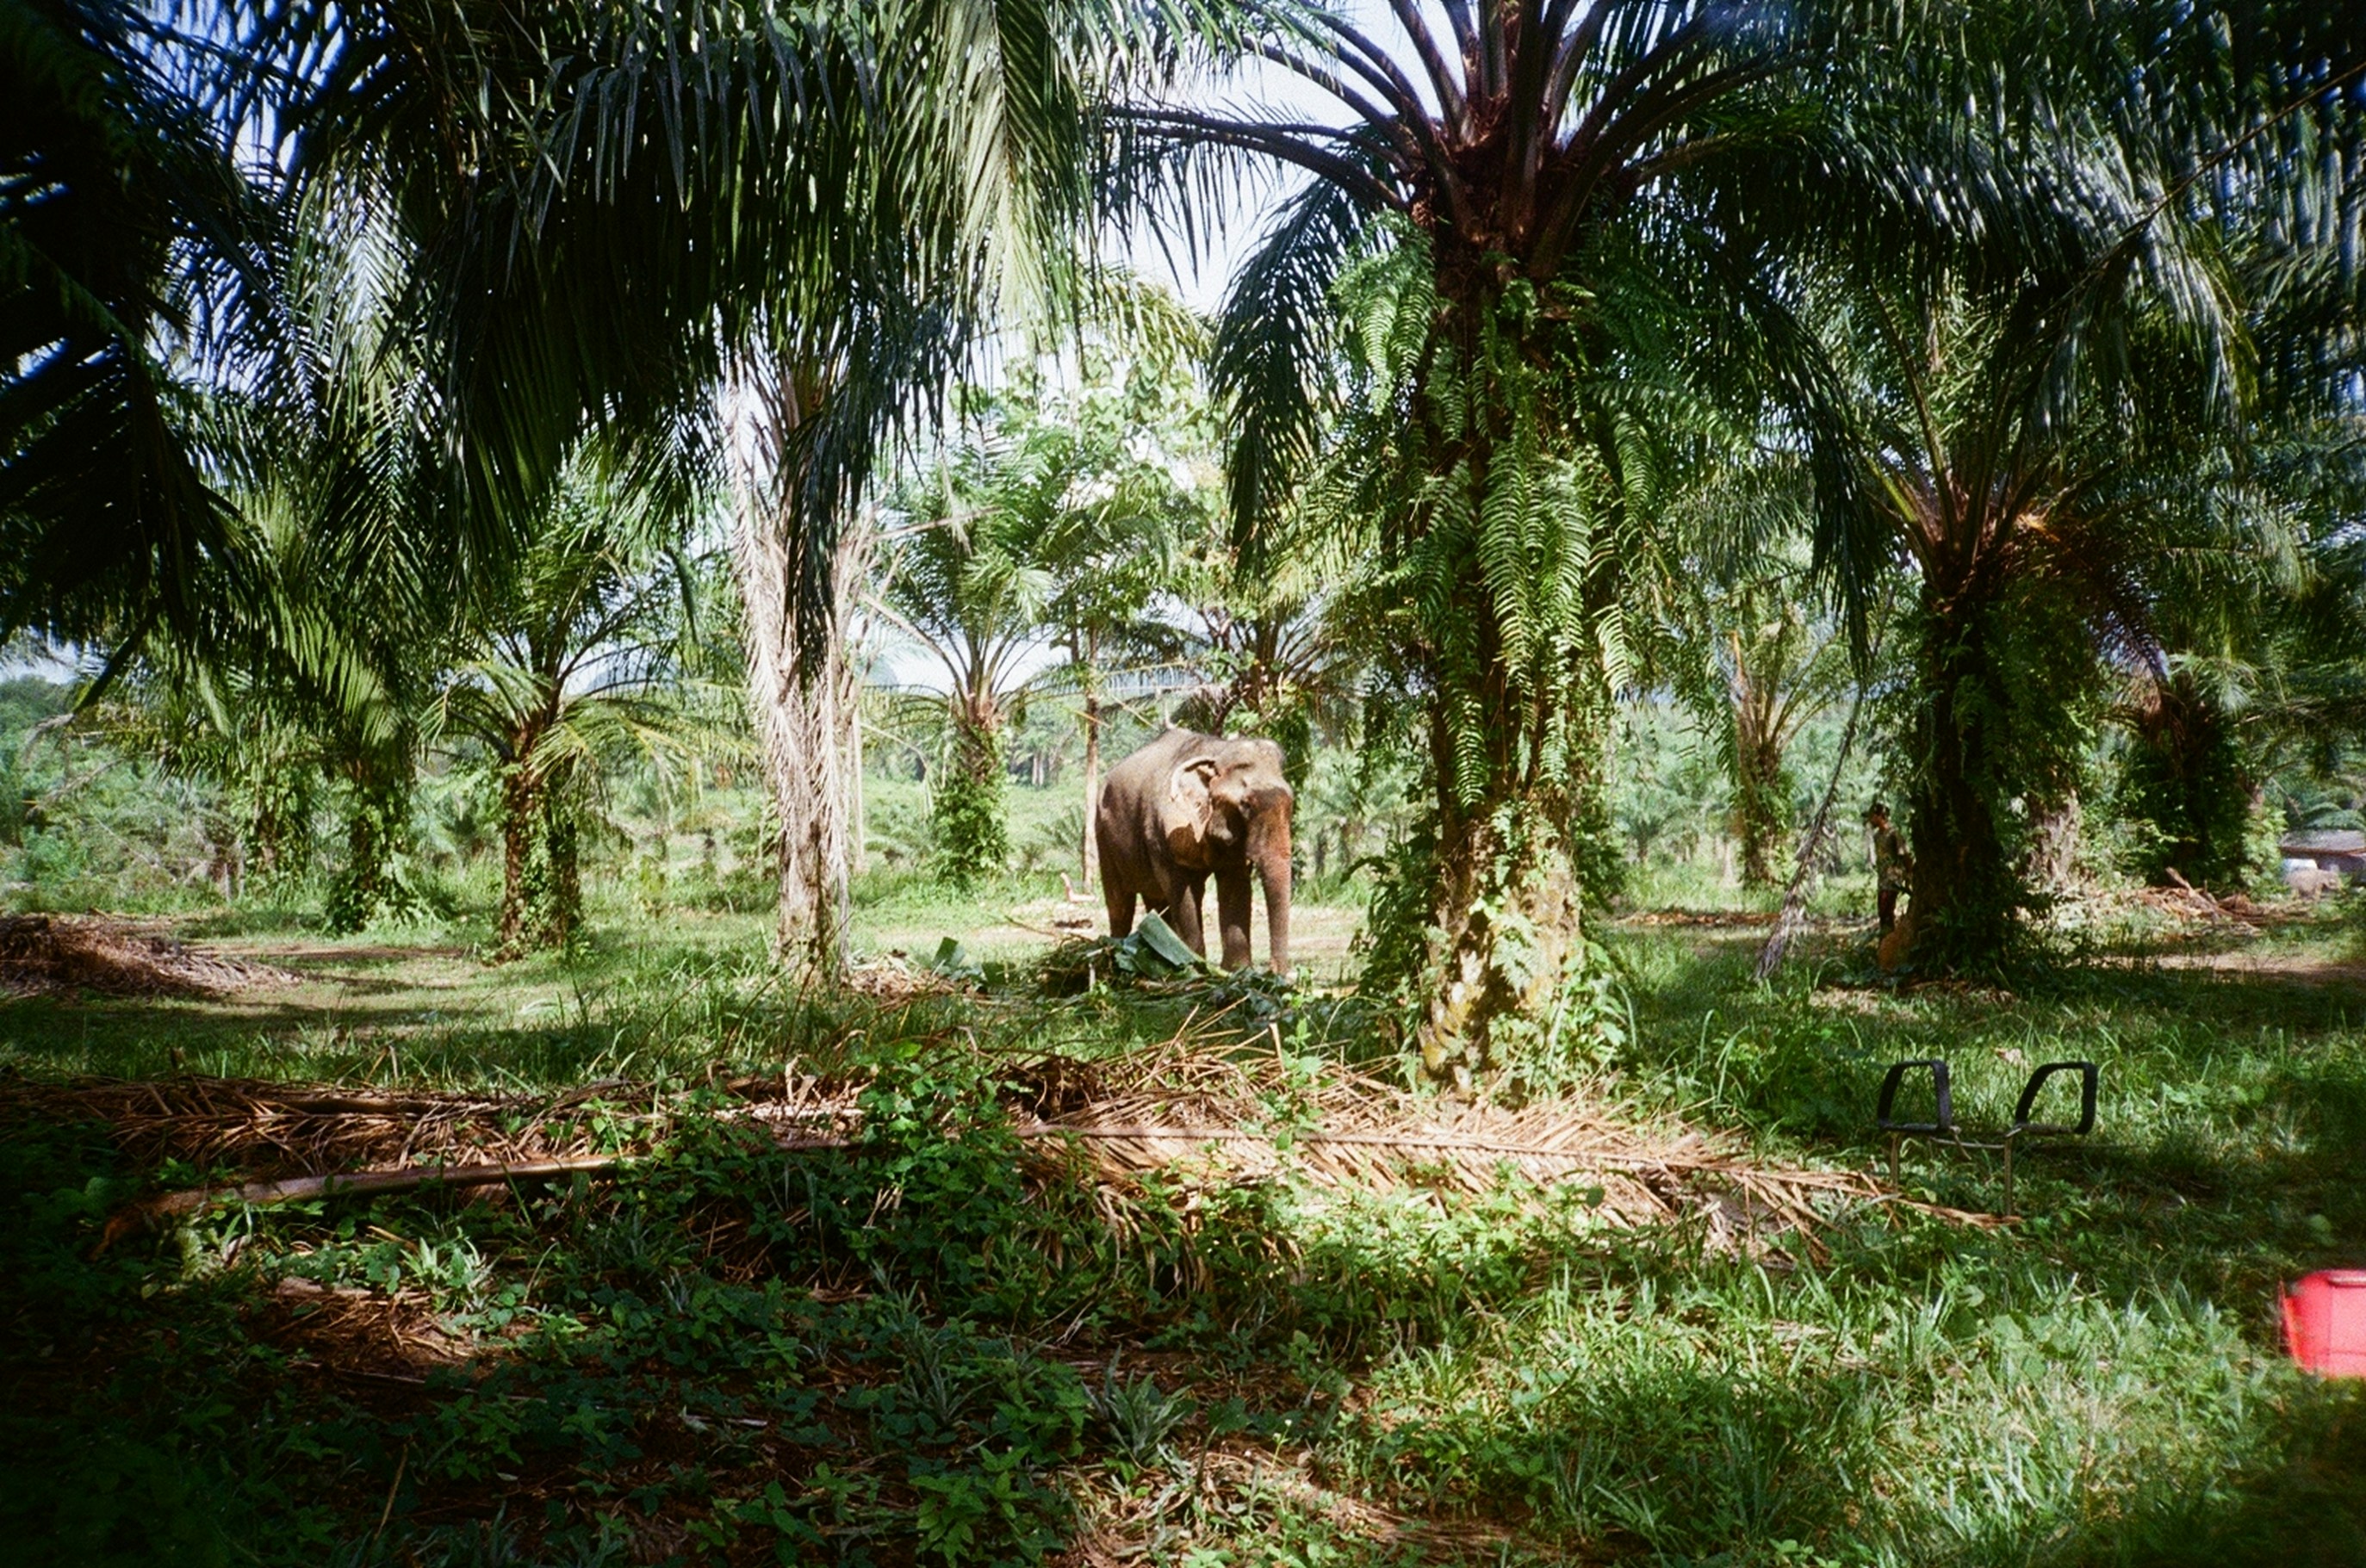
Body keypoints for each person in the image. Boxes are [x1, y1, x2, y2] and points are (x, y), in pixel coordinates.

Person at [1865, 803, 1910, 935]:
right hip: (1883, 880)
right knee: (1882, 912)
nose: (1870, 821)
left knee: (1887, 910)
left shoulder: (1894, 834)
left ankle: (1889, 940)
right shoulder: (1877, 836)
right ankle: (1886, 941)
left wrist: (1908, 875)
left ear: (1880, 816)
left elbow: (1906, 856)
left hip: (1893, 878)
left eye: (1872, 817)